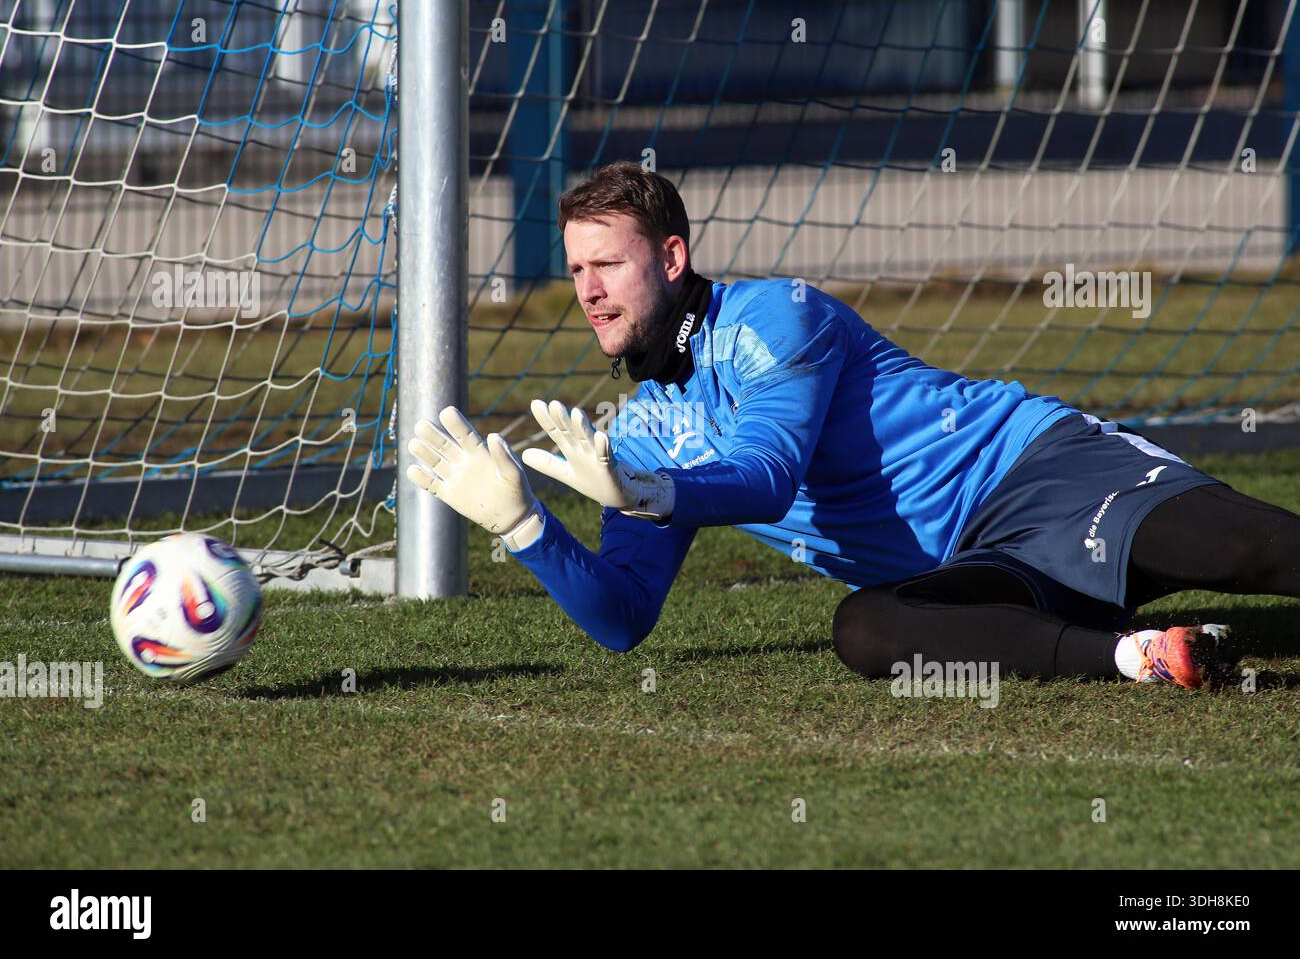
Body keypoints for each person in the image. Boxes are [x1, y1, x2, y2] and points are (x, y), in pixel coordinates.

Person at [405, 162, 1300, 689]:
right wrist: (524, 527)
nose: (590, 292)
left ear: (672, 259)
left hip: (1040, 472)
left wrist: (655, 493)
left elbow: (768, 475)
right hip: (982, 567)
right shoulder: (639, 434)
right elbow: (624, 619)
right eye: (576, 271)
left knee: (1248, 551)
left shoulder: (776, 319)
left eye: (609, 265)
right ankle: (1140, 657)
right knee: (866, 633)